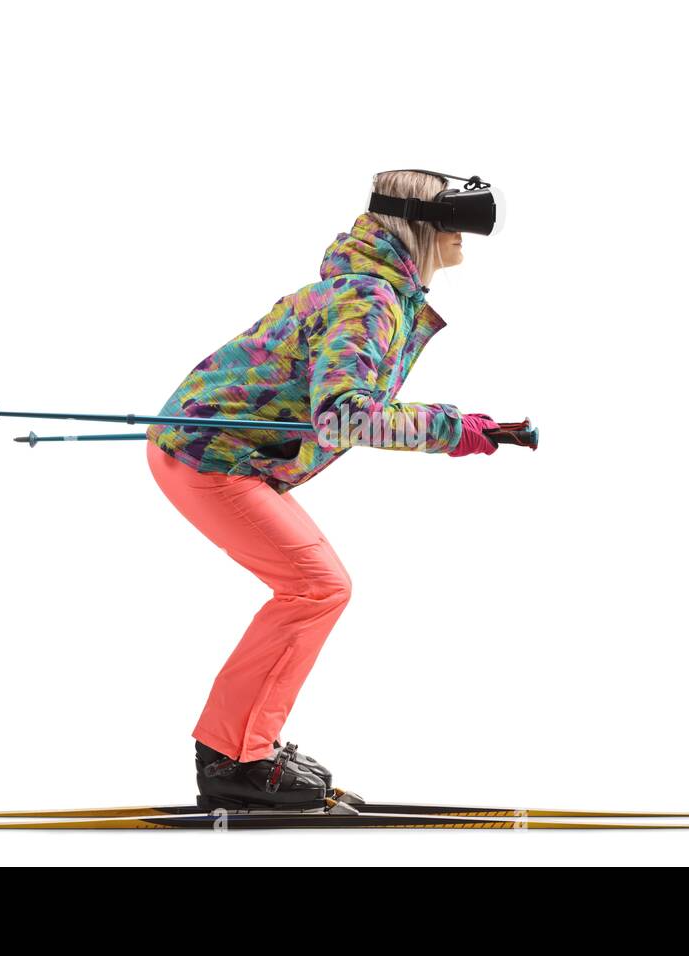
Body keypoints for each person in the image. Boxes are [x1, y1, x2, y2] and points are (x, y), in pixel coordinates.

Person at [146, 169, 505, 810]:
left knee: (316, 587)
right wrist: (455, 431)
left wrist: (463, 429)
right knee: (316, 588)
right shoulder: (367, 299)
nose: (466, 237)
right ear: (421, 226)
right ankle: (234, 760)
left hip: (230, 456)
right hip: (210, 457)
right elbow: (343, 414)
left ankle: (241, 743)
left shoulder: (380, 289)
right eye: (458, 221)